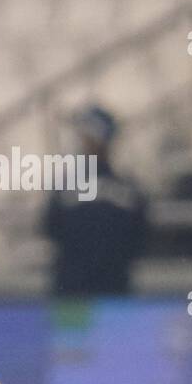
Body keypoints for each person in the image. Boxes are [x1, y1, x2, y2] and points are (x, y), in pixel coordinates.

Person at [43, 105, 148, 296]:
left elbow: (51, 227)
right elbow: (140, 237)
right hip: (108, 291)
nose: (82, 143)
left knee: (76, 326)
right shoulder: (129, 190)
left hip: (78, 293)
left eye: (86, 137)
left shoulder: (66, 188)